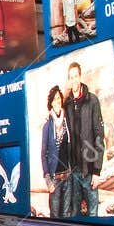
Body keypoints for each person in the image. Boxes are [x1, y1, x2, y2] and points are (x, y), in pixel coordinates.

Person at [62, 61, 105, 216]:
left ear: (80, 77)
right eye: (70, 77)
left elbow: (99, 136)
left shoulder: (92, 100)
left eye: (75, 76)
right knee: (75, 214)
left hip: (89, 169)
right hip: (73, 171)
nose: (73, 80)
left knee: (93, 213)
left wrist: (97, 171)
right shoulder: (66, 104)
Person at [41, 85, 73, 217]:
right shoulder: (47, 126)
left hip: (67, 176)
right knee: (54, 214)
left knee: (66, 214)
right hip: (54, 178)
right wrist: (48, 180)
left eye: (59, 98)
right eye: (54, 99)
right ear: (51, 103)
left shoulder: (67, 122)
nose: (57, 101)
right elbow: (43, 154)